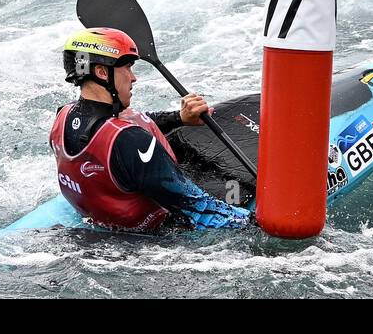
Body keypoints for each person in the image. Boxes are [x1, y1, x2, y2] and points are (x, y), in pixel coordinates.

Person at [53, 28, 250, 232]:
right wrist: (255, 226)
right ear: (102, 72)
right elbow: (199, 207)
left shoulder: (64, 115)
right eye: (127, 68)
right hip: (154, 239)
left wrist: (179, 118)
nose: (133, 77)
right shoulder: (131, 140)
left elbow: (127, 122)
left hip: (96, 219)